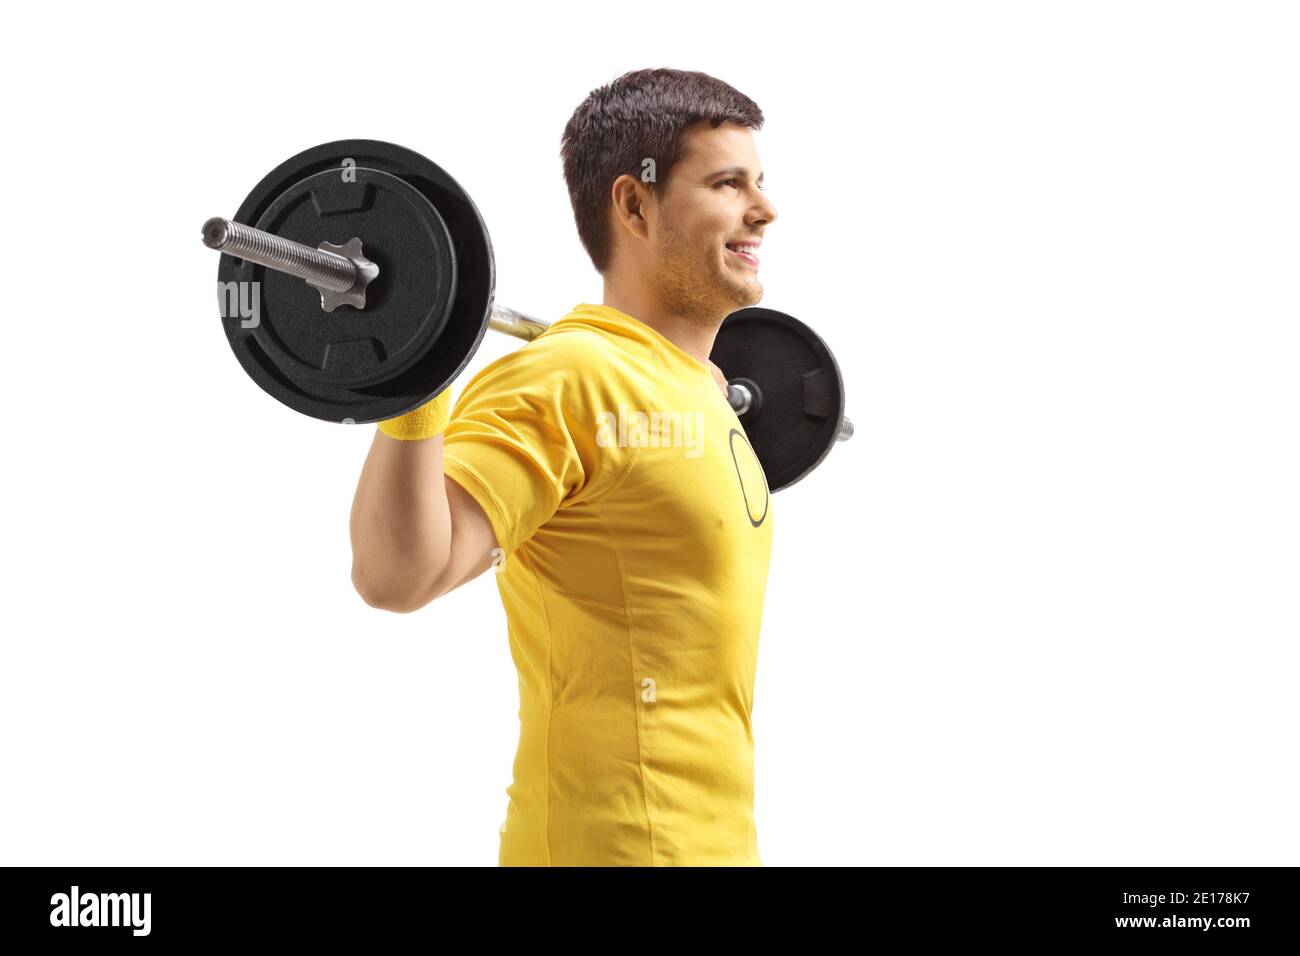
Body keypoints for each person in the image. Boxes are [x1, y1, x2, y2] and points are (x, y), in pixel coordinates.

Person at [349, 68, 779, 866]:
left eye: (760, 181)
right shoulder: (567, 377)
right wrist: (414, 372)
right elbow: (399, 573)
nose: (765, 209)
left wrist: (692, 394)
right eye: (727, 183)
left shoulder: (694, 389)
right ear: (634, 204)